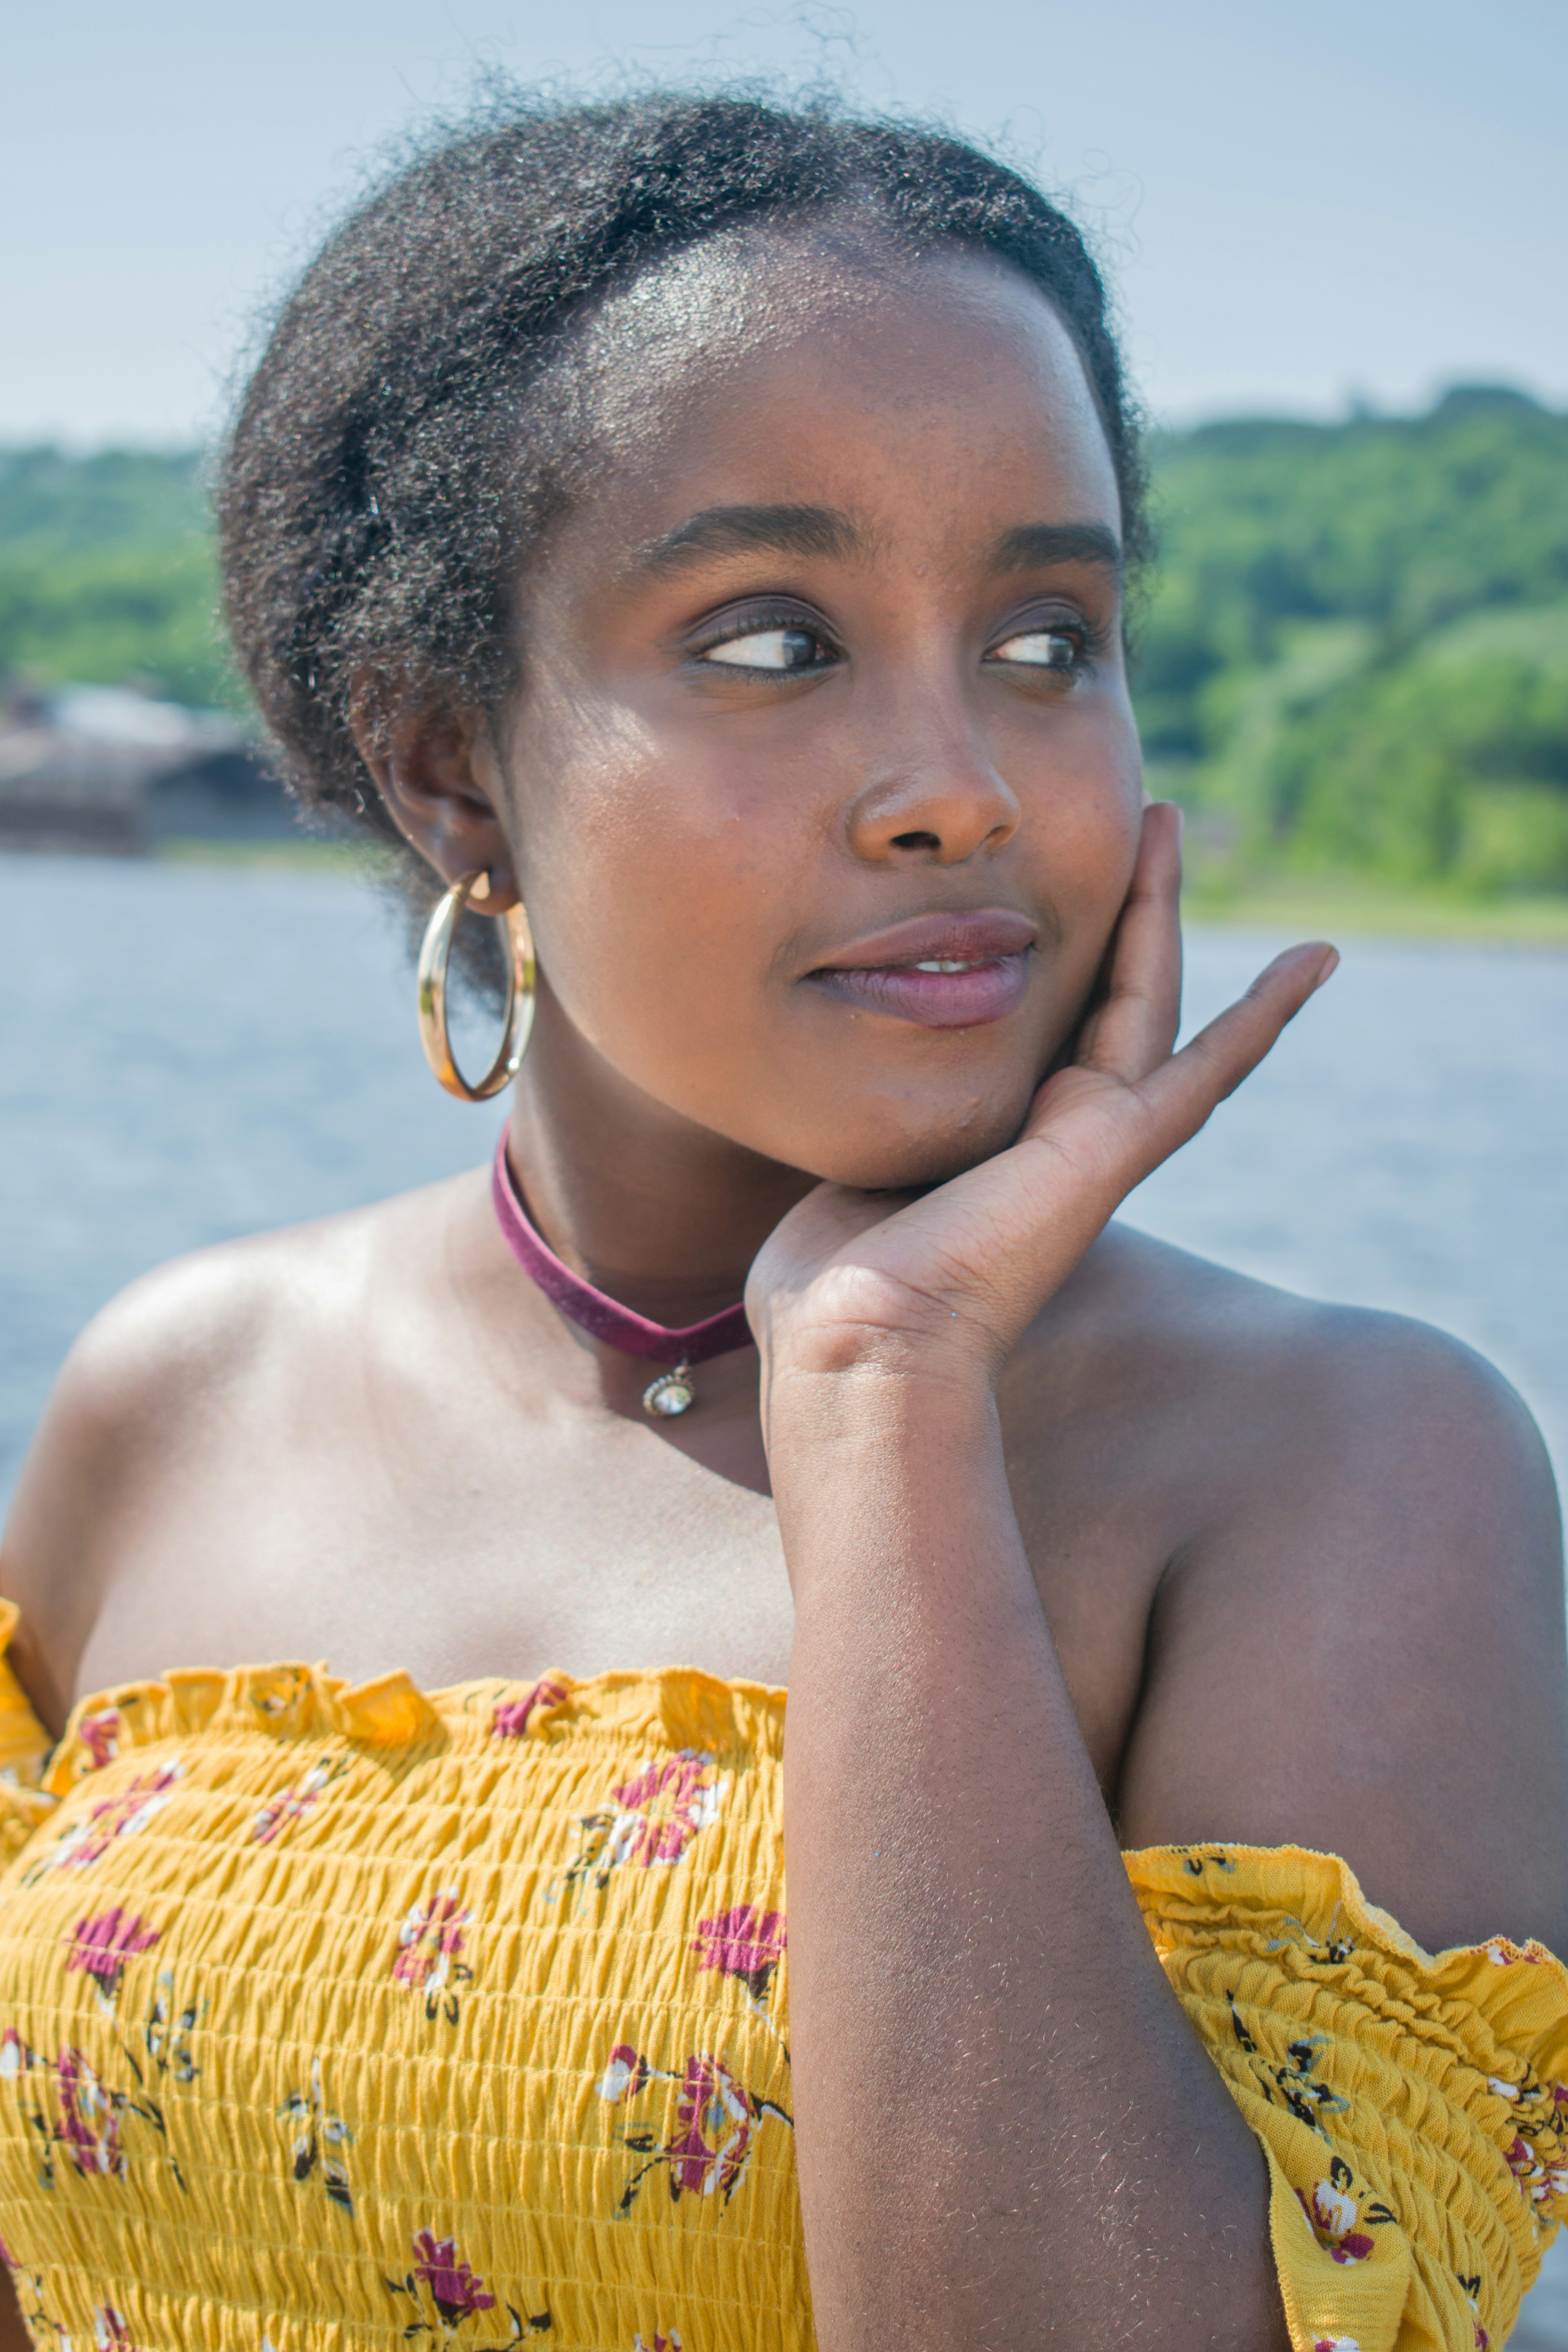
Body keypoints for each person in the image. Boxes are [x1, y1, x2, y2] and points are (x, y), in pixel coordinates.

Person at [0, 89, 1564, 2352]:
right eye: (769, 641)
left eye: (1047, 639)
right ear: (453, 766)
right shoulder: (175, 1397)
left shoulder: (1342, 1476)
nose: (959, 786)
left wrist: (884, 1393)